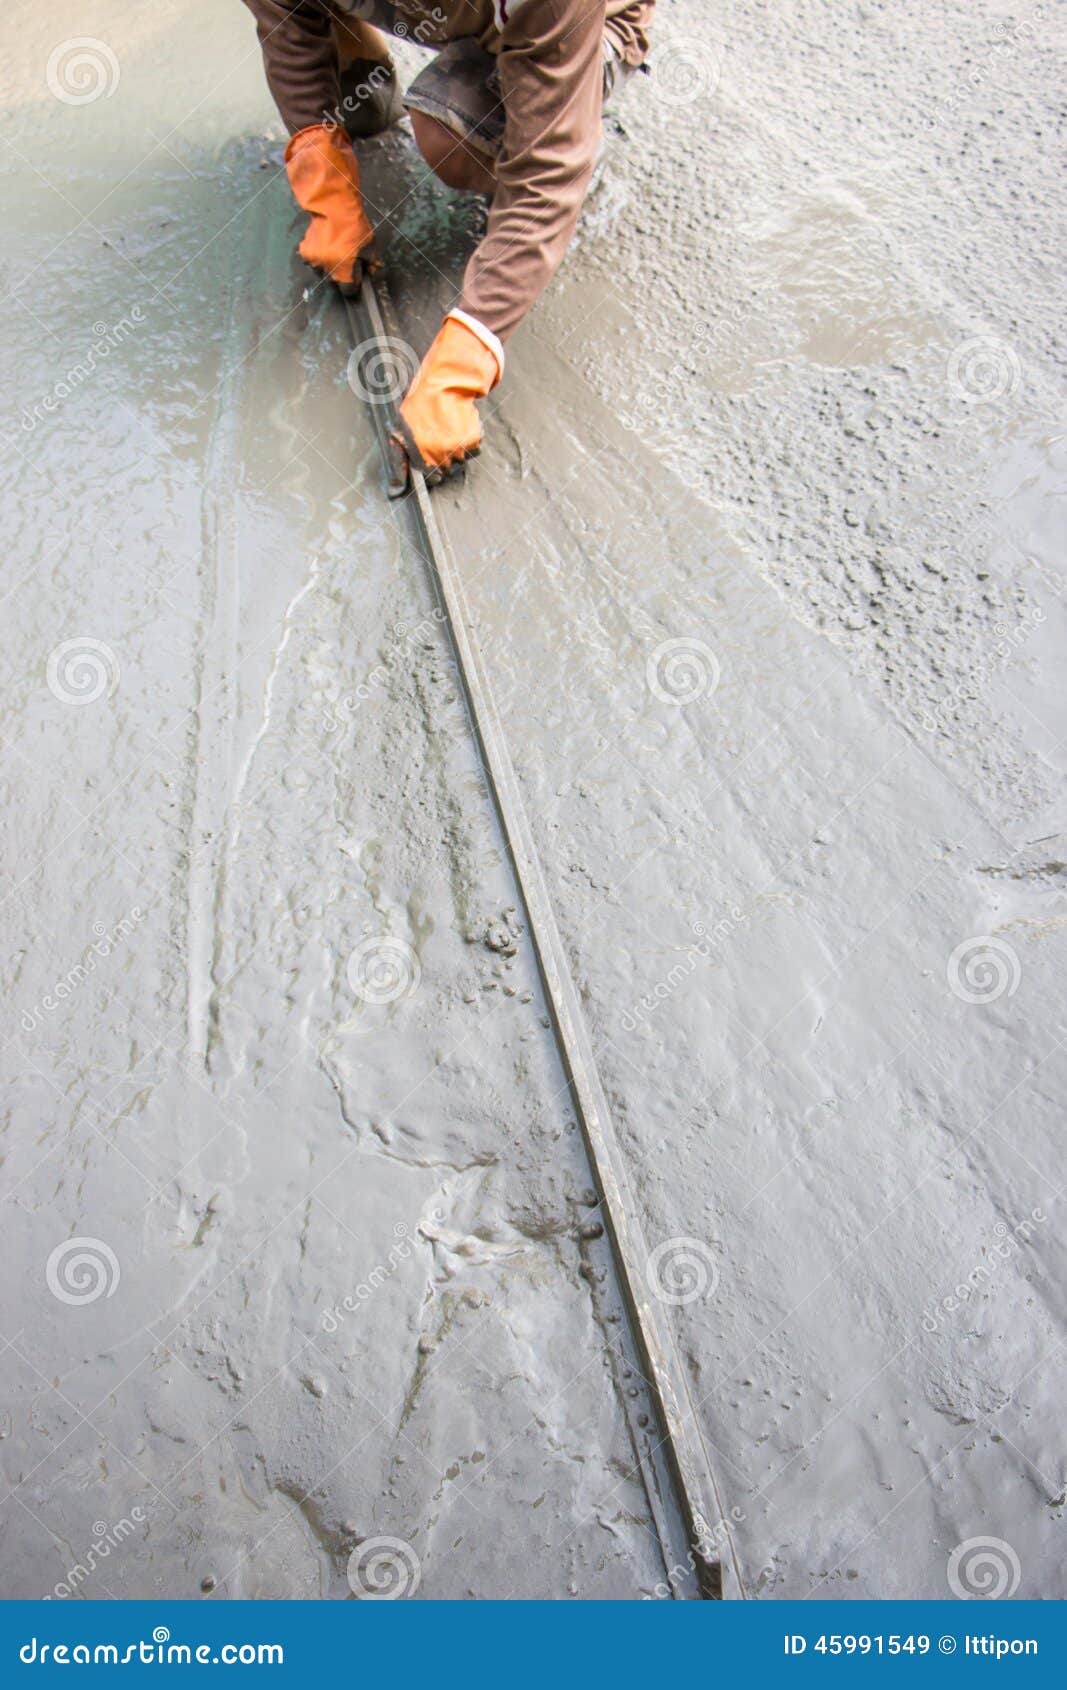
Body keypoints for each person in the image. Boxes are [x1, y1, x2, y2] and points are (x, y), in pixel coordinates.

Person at [241, 1, 654, 490]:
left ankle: (573, 120)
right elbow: (284, 20)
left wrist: (461, 367)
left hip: (564, 32)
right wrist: (324, 183)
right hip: (454, 12)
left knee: (452, 138)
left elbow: (543, 175)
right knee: (348, 88)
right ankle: (357, 61)